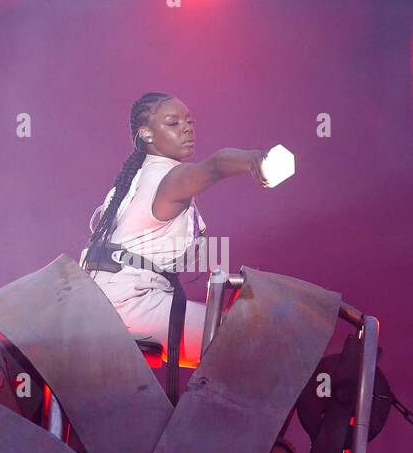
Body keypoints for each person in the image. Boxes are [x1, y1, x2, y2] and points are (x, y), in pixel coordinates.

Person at [79, 91, 270, 368]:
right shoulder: (169, 177)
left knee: (234, 340)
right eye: (173, 123)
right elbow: (216, 166)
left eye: (189, 121)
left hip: (101, 302)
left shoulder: (136, 178)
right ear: (146, 134)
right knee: (252, 344)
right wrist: (255, 159)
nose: (186, 128)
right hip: (128, 305)